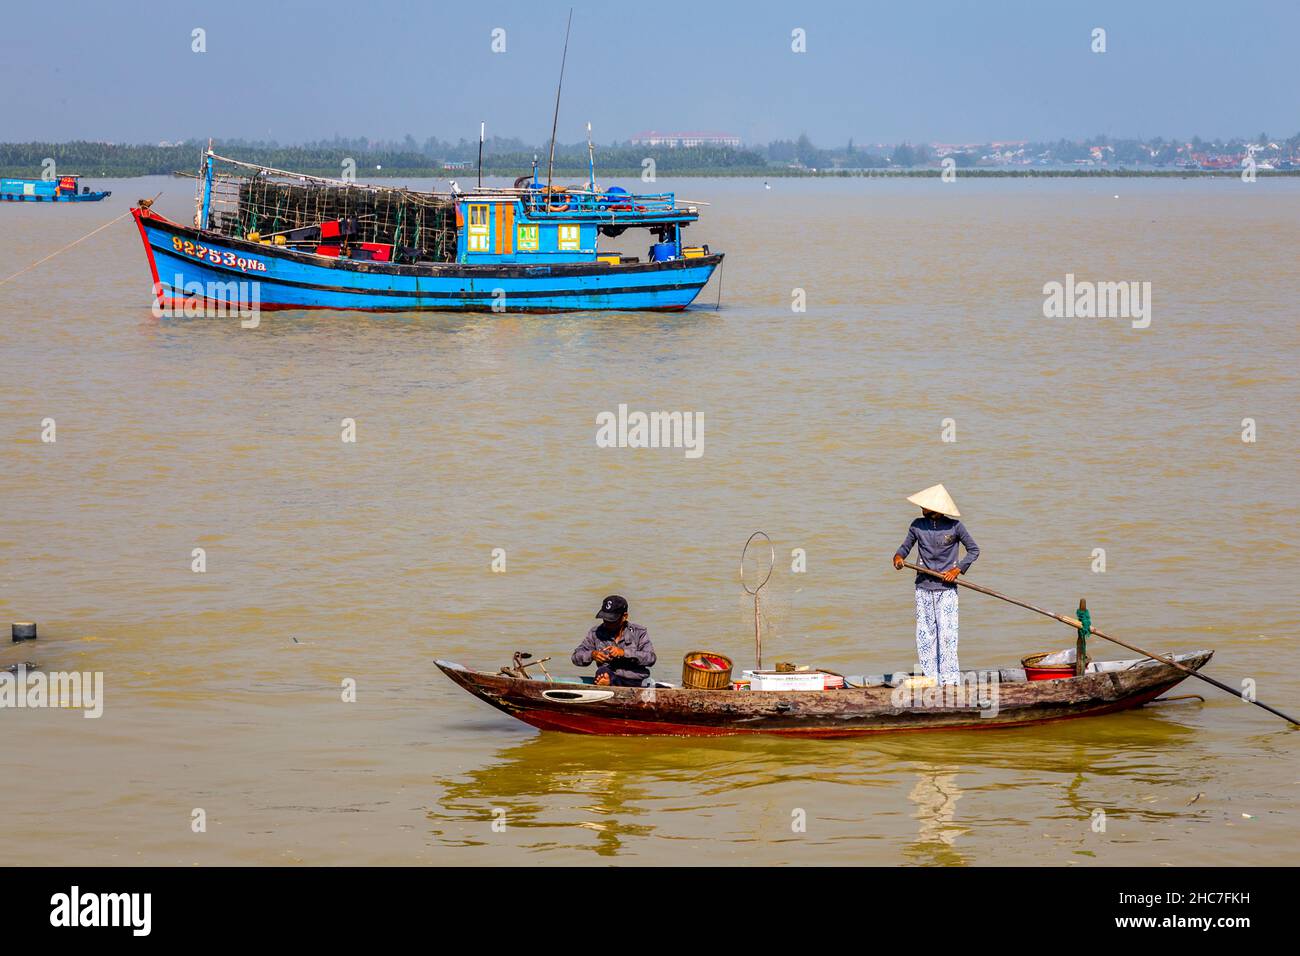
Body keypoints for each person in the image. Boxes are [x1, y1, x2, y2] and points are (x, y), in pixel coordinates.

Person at [892, 484, 979, 685]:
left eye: (925, 505)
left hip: (947, 589)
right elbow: (904, 548)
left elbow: (974, 550)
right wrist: (898, 558)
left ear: (936, 509)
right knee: (925, 634)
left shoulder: (955, 527)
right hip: (923, 587)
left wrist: (957, 570)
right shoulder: (917, 526)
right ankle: (931, 677)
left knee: (947, 635)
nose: (921, 508)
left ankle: (949, 680)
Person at [571, 595, 657, 687]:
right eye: (605, 619)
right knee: (602, 672)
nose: (607, 624)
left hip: (636, 680)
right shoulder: (595, 633)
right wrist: (592, 655)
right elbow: (576, 657)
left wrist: (623, 653)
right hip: (610, 676)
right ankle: (609, 682)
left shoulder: (639, 632)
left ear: (624, 616)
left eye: (612, 620)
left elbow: (651, 658)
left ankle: (612, 684)